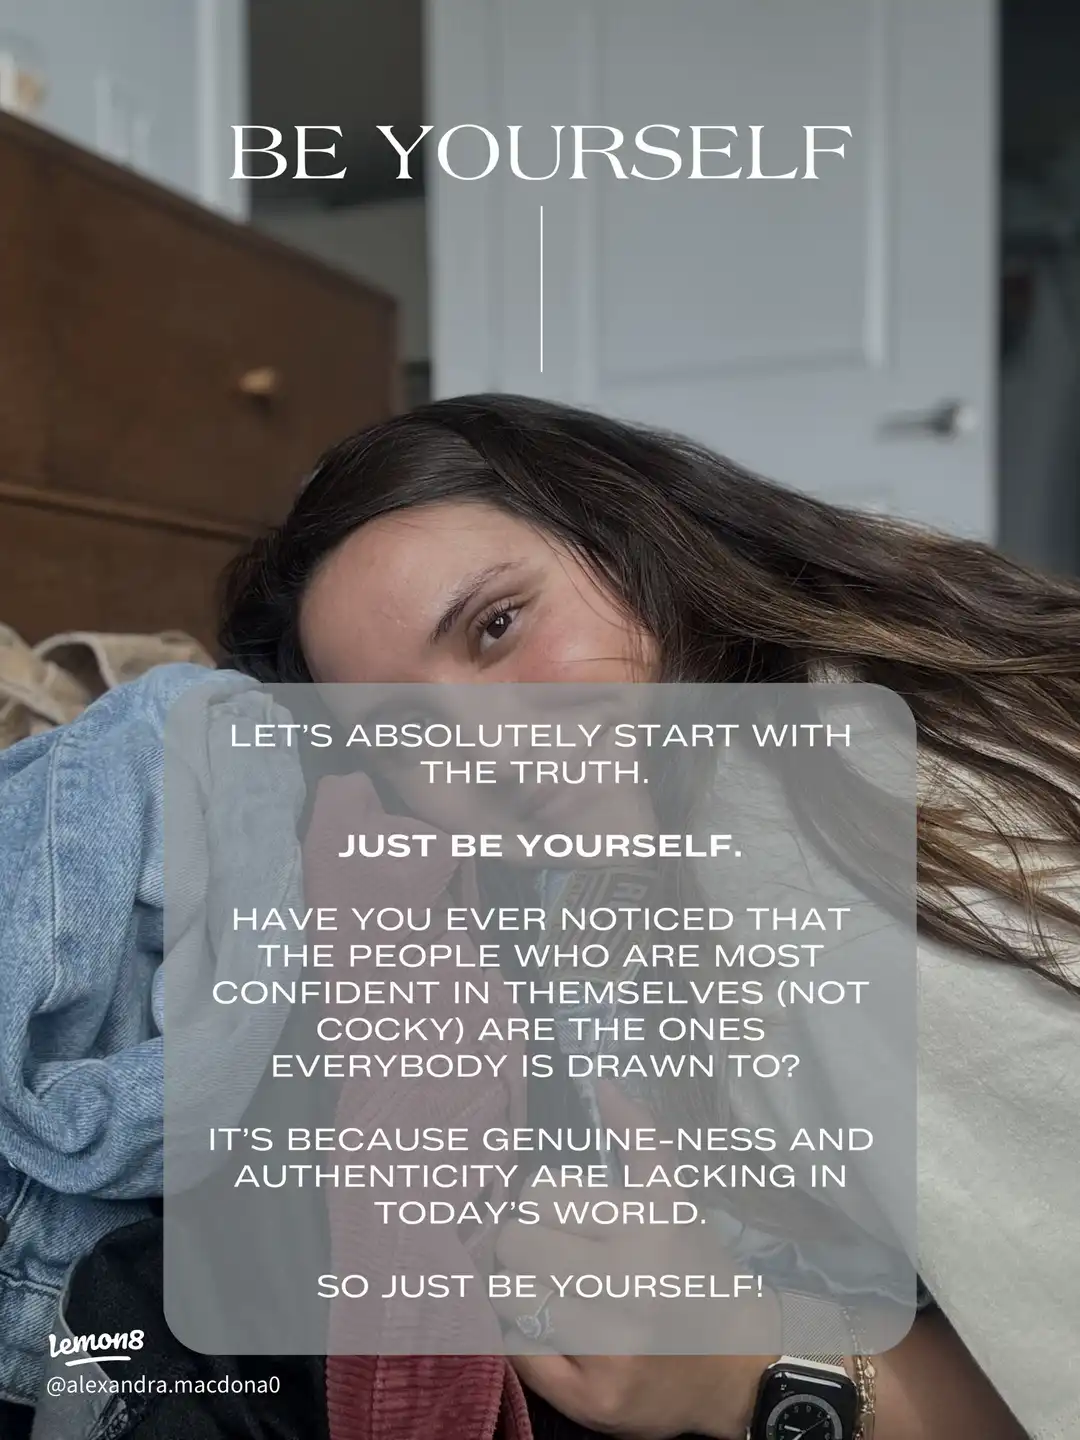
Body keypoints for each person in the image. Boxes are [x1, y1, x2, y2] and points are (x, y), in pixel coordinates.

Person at [211, 391, 1080, 1440]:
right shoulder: (734, 719)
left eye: (497, 626)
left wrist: (742, 1370)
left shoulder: (832, 838)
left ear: (628, 536)